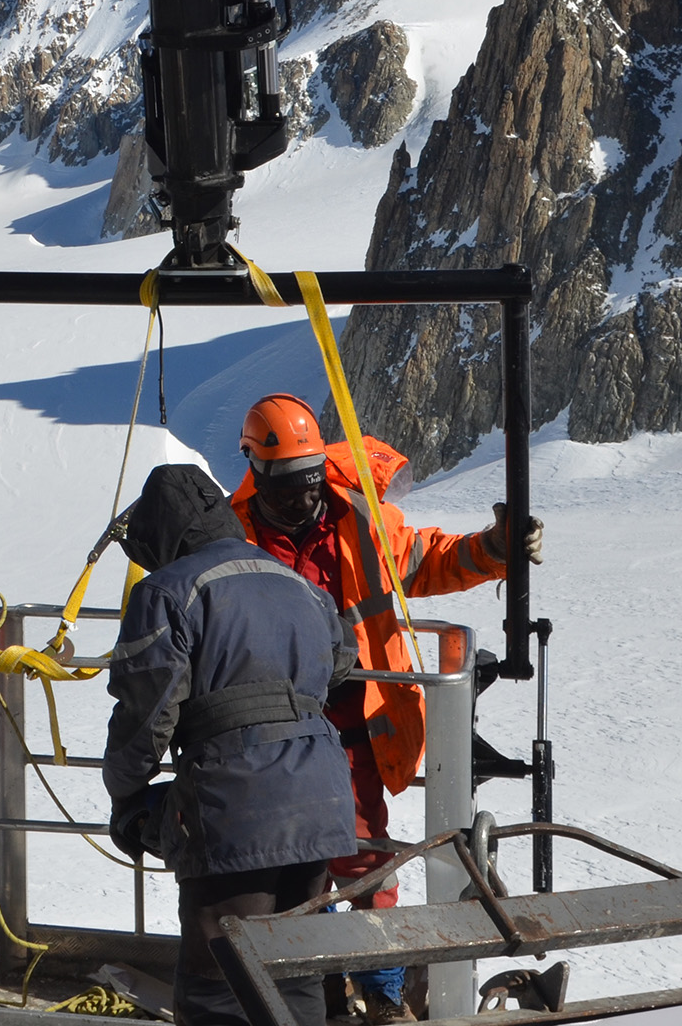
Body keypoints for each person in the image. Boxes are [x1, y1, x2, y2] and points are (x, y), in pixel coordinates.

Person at [230, 393, 545, 1025]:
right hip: (265, 736)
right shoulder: (233, 540)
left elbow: (428, 559)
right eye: (288, 485)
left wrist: (495, 546)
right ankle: (311, 992)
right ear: (254, 473)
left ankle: (381, 992)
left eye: (312, 480)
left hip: (350, 734)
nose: (303, 497)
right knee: (287, 866)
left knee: (366, 860)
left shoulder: (357, 524)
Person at [103, 462, 358, 1026]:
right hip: (320, 798)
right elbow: (343, 658)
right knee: (295, 971)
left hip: (236, 804)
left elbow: (148, 712)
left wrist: (126, 794)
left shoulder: (166, 591)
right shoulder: (302, 585)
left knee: (219, 980)